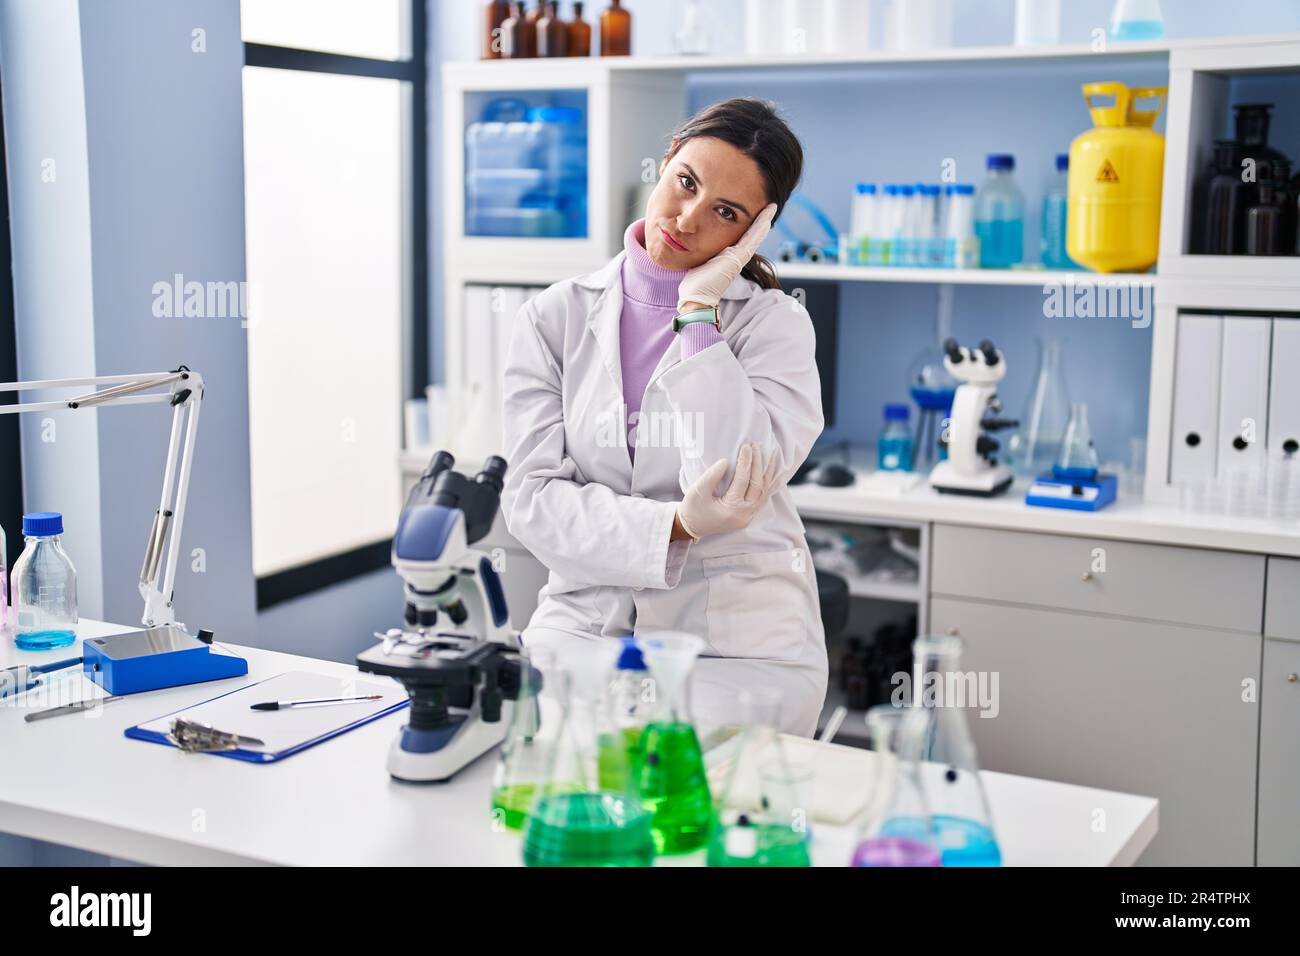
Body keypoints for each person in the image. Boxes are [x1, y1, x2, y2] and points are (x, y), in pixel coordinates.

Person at [501, 98, 827, 735]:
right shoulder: (553, 317)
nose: (687, 218)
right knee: (539, 785)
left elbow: (735, 484)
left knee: (693, 806)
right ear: (668, 158)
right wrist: (676, 524)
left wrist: (700, 311)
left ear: (753, 231)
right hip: (584, 627)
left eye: (725, 213)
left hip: (735, 648)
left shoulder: (772, 325)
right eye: (686, 182)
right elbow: (533, 502)